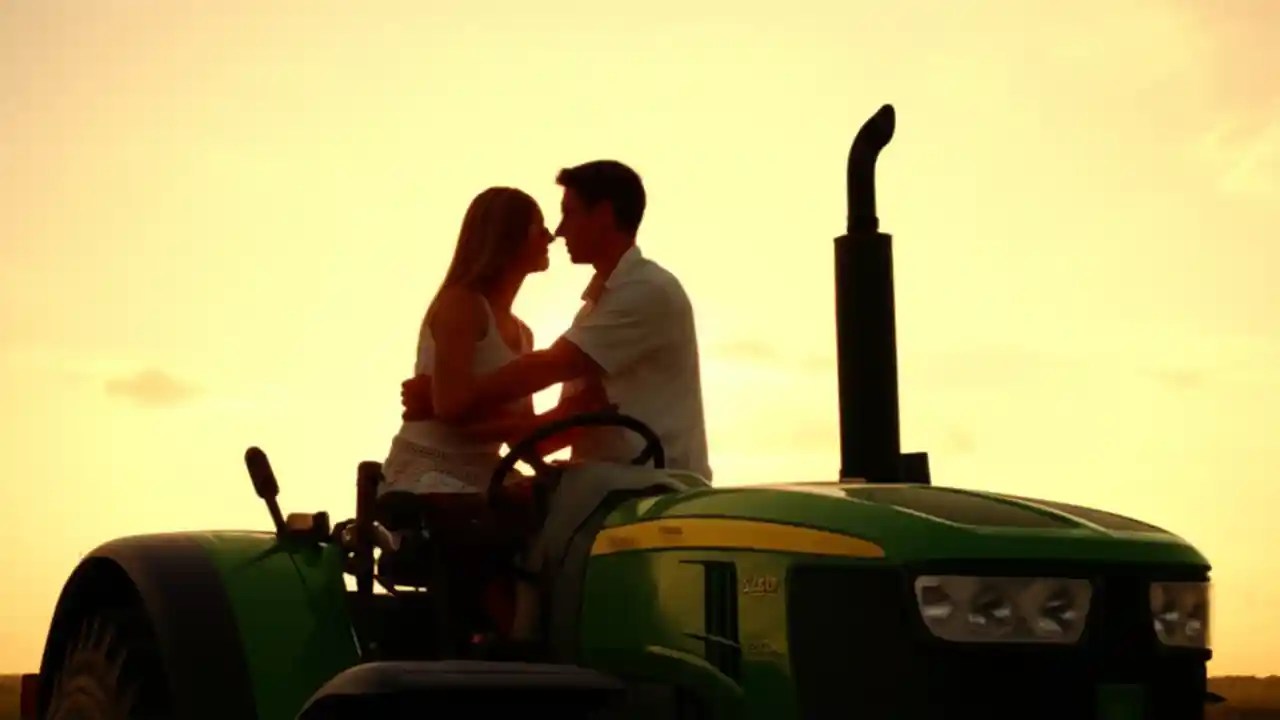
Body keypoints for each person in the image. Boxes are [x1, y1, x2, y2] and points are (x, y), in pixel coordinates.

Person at [400, 160, 712, 482]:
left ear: (603, 215)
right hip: (608, 483)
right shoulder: (595, 310)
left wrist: (447, 400)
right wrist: (449, 402)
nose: (558, 232)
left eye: (569, 213)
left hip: (648, 485)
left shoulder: (646, 289)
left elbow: (553, 365)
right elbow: (540, 435)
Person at [379, 186, 611, 502]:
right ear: (509, 237)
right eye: (538, 228)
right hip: (432, 476)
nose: (550, 236)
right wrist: (559, 416)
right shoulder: (462, 305)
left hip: (482, 475)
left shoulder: (524, 333)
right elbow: (454, 411)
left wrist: (549, 462)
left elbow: (515, 435)